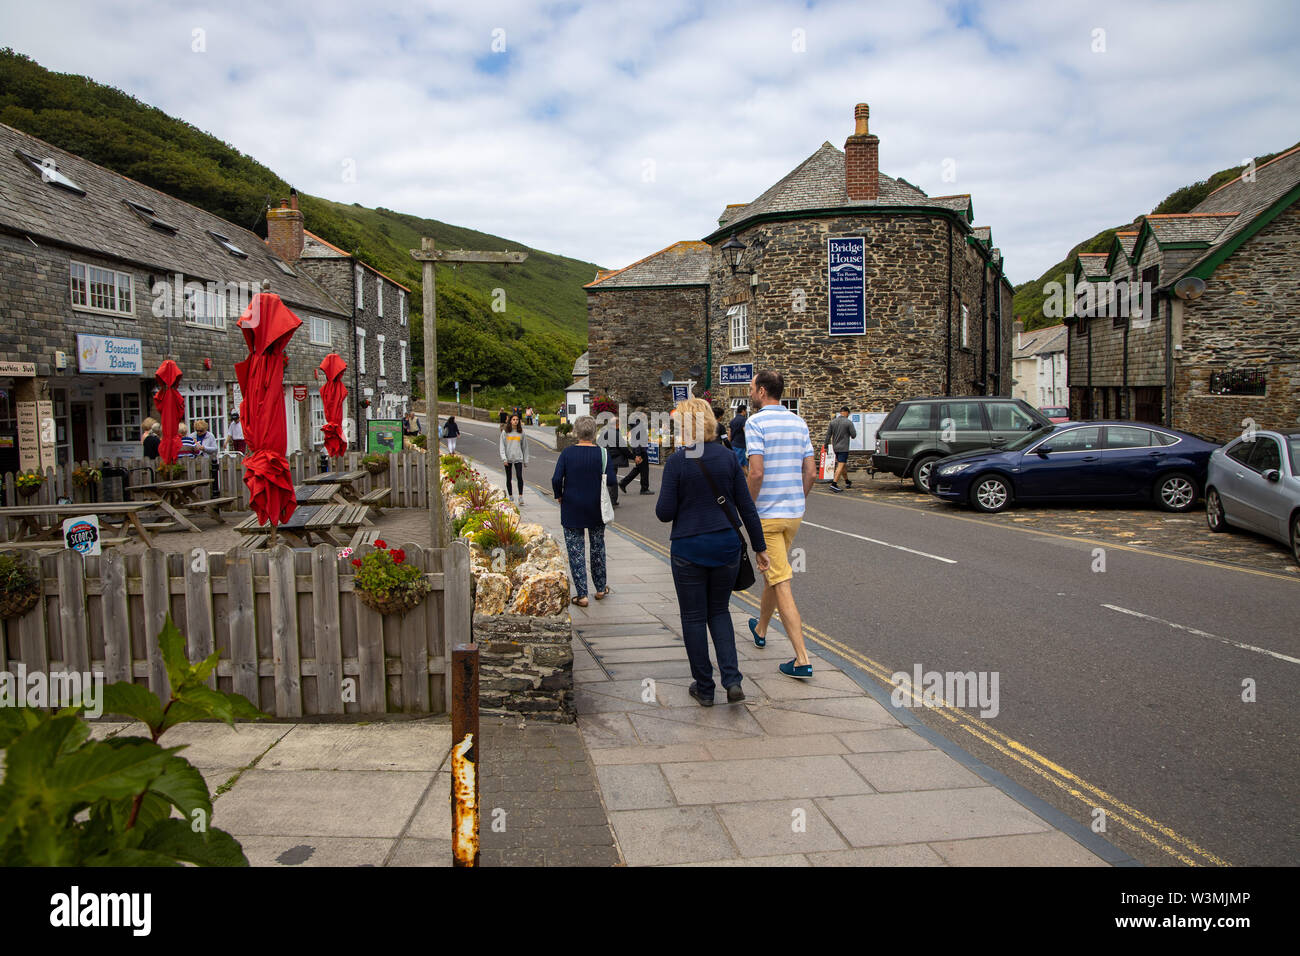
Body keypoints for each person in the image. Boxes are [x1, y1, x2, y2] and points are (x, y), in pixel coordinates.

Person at [656, 399, 768, 706]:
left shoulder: (678, 461)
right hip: (726, 547)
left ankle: (705, 688)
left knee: (693, 618)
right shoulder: (727, 456)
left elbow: (664, 512)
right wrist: (760, 548)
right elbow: (746, 506)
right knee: (719, 612)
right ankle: (732, 681)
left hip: (688, 548)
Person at [745, 370, 816, 679]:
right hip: (794, 514)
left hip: (768, 516)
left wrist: (746, 506)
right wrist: (797, 499)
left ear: (762, 392)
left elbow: (756, 472)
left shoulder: (755, 423)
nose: (749, 392)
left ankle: (802, 659)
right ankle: (760, 628)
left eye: (751, 388)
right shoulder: (799, 423)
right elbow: (811, 472)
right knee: (775, 574)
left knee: (781, 581)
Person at [552, 415, 616, 607]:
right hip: (596, 509)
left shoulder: (567, 453)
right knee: (597, 548)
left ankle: (582, 594)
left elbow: (556, 479)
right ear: (594, 433)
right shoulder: (603, 454)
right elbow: (612, 480)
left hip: (572, 508)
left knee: (576, 551)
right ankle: (600, 588)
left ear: (576, 433)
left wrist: (559, 495)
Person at [499, 412, 529, 508]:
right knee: (509, 477)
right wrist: (504, 458)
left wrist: (525, 460)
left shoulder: (521, 432)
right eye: (514, 420)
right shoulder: (505, 432)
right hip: (508, 459)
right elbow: (502, 446)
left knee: (519, 476)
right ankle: (511, 496)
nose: (515, 421)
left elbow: (525, 447)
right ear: (510, 421)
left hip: (518, 458)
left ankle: (520, 496)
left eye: (517, 420)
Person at [824, 406, 858, 492]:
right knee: (840, 466)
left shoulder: (833, 422)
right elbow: (854, 435)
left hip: (835, 447)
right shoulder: (848, 422)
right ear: (846, 412)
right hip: (844, 447)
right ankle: (834, 484)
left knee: (842, 465)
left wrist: (825, 446)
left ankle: (847, 481)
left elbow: (828, 435)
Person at [619, 412, 652, 496]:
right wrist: (638, 454)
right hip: (640, 451)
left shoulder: (635, 426)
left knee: (638, 469)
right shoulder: (639, 426)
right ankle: (644, 489)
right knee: (644, 470)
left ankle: (623, 482)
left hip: (638, 450)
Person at [192, 419, 219, 493]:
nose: (199, 432)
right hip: (196, 461)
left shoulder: (210, 436)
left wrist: (204, 448)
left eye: (201, 431)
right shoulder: (192, 436)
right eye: (197, 430)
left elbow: (215, 449)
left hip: (207, 460)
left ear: (205, 429)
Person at [729, 404, 748, 472]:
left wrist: (729, 444)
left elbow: (729, 434)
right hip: (740, 445)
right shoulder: (744, 420)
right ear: (743, 411)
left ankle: (747, 480)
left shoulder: (732, 421)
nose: (746, 413)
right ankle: (735, 480)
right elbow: (746, 431)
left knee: (744, 464)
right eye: (746, 411)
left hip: (734, 444)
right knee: (738, 464)